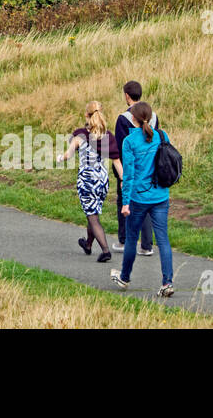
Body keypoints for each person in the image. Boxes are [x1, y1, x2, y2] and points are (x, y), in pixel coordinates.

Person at [110, 102, 175, 297]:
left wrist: (126, 201)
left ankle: (125, 277)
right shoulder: (162, 136)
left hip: (138, 197)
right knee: (163, 239)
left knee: (131, 238)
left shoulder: (129, 141)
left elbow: (128, 175)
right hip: (161, 195)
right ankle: (167, 282)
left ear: (134, 119)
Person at [57, 100, 121, 262]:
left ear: (87, 114)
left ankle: (105, 250)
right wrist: (124, 180)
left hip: (87, 180)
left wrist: (59, 158)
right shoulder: (108, 137)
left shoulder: (80, 135)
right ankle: (88, 244)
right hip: (102, 181)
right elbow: (117, 162)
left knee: (93, 216)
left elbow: (68, 155)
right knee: (92, 212)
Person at [114, 80, 157, 255]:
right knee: (145, 204)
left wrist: (122, 175)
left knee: (123, 203)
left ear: (126, 96)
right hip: (148, 167)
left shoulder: (124, 119)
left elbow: (120, 148)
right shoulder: (153, 116)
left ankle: (124, 241)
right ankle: (147, 245)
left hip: (129, 167)